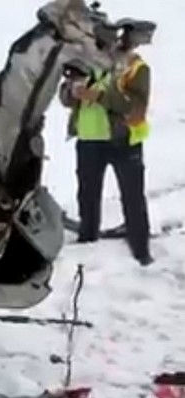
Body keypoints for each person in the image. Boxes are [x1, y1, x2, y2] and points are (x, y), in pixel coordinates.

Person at [59, 19, 155, 266]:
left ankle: (141, 249)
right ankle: (87, 241)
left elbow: (134, 107)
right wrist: (71, 90)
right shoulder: (84, 65)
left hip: (123, 141)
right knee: (87, 196)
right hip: (88, 139)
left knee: (132, 197)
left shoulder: (136, 68)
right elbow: (67, 100)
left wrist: (98, 96)